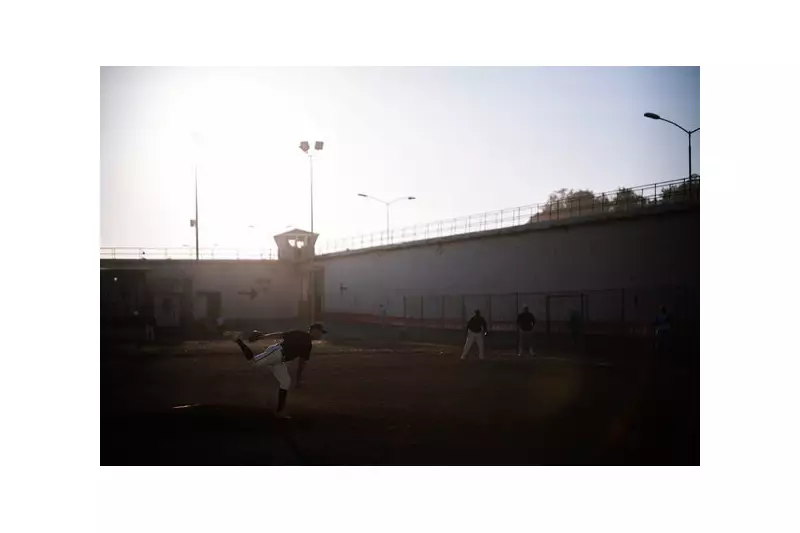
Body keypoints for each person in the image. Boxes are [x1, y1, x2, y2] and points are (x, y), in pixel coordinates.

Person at [228, 323, 327, 417]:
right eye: (320, 332)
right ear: (314, 330)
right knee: (253, 363)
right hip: (276, 352)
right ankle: (238, 340)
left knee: (285, 382)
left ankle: (279, 412)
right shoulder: (300, 334)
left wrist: (298, 379)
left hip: (280, 361)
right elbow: (281, 334)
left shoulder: (308, 345)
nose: (321, 335)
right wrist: (264, 336)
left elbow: (302, 363)